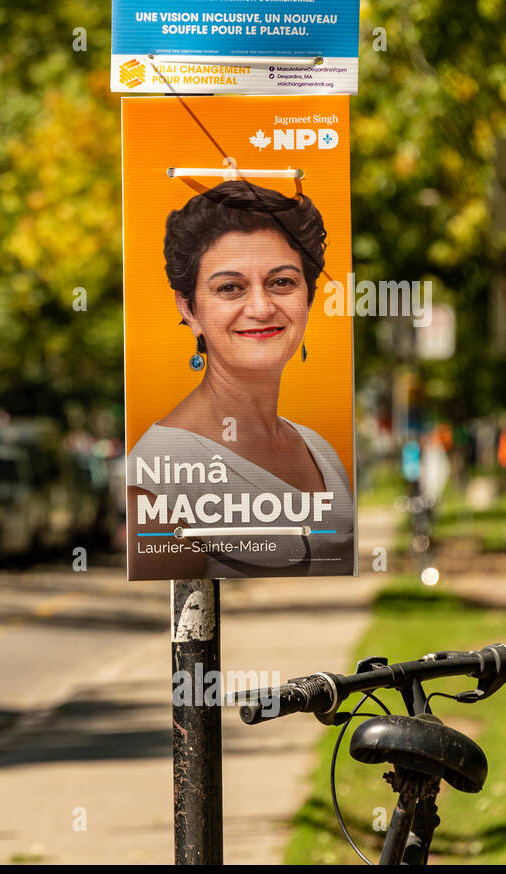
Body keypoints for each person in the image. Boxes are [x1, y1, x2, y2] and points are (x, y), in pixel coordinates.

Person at [128, 181, 354, 577]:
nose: (261, 308)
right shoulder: (160, 470)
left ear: (309, 297)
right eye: (230, 287)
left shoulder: (320, 451)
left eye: (282, 282)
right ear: (190, 308)